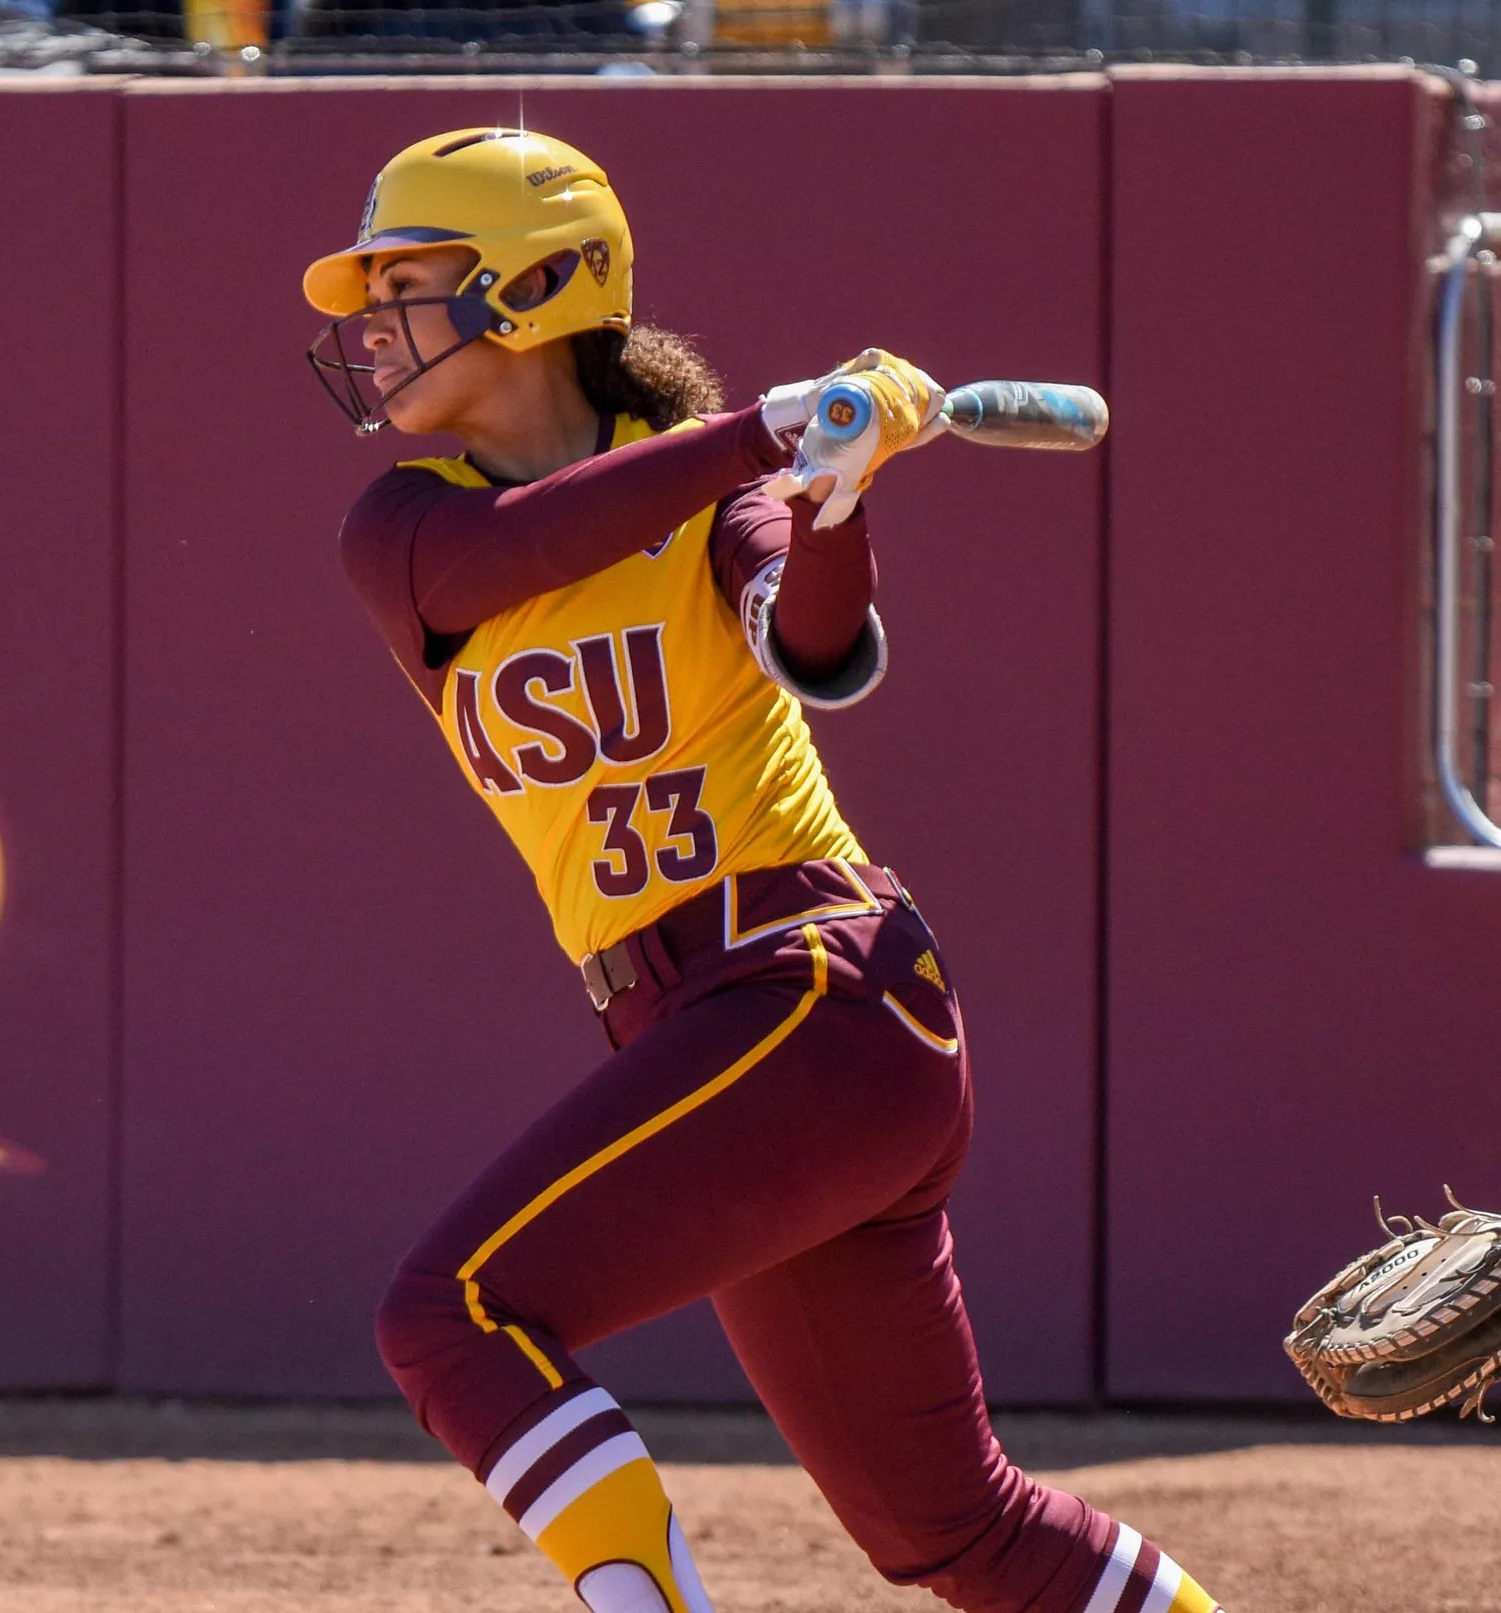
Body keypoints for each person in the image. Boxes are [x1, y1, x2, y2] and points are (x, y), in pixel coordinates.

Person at [303, 126, 1223, 1613]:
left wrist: (834, 497)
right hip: (723, 1044)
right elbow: (506, 557)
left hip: (814, 992)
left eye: (408, 282)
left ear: (536, 289)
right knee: (958, 1534)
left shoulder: (721, 499)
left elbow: (813, 645)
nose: (370, 323)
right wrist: (762, 433)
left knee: (449, 1312)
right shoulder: (404, 529)